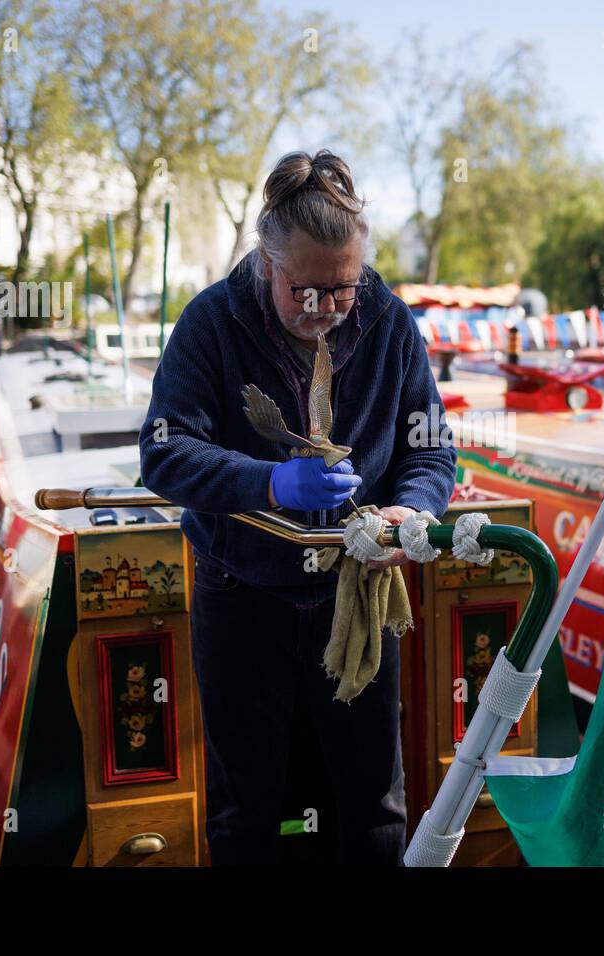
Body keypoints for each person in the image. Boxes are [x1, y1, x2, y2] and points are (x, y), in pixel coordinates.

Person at [138, 149, 457, 863]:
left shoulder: (391, 322)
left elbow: (431, 450)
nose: (327, 308)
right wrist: (270, 482)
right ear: (266, 261)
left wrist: (412, 508)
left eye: (344, 288)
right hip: (241, 594)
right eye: (306, 289)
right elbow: (163, 453)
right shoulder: (210, 323)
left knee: (376, 800)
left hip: (359, 590)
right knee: (245, 810)